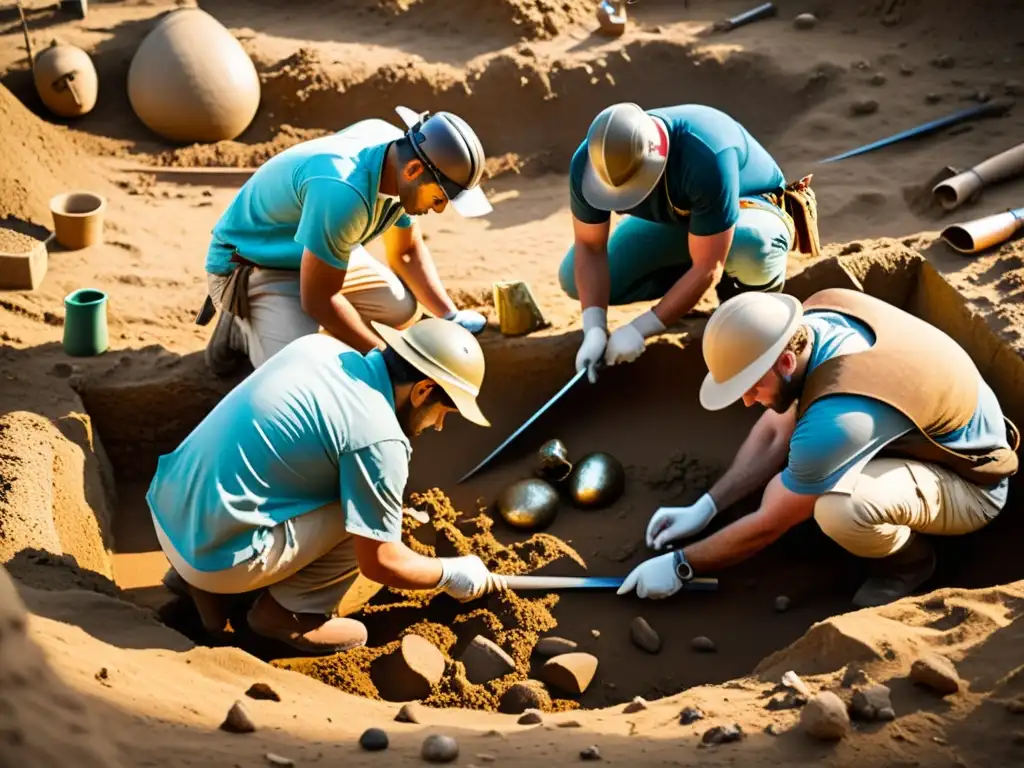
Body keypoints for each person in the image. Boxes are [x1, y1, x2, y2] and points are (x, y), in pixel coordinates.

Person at [617, 288, 1019, 608]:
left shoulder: (836, 422)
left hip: (973, 482)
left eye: (752, 386)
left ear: (787, 361)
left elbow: (769, 523)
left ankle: (911, 565)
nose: (746, 401)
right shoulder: (818, 317)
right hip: (932, 425)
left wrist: (681, 565)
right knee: (803, 433)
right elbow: (776, 432)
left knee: (839, 509)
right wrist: (705, 507)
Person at [150, 317, 508, 654]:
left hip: (170, 514)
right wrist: (451, 573)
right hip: (216, 559)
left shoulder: (319, 349)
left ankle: (202, 592)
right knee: (364, 517)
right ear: (423, 390)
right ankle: (283, 616)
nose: (439, 426)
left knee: (327, 484)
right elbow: (382, 562)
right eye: (444, 411)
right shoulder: (380, 438)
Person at [198, 105, 494, 376]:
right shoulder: (343, 192)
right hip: (255, 263)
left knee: (399, 308)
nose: (439, 209)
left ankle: (305, 327)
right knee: (296, 369)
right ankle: (240, 325)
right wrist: (386, 358)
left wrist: (450, 315)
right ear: (415, 170)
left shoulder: (398, 151)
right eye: (440, 198)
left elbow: (406, 253)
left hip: (314, 248)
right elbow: (319, 300)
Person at [560, 102, 820, 383]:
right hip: (680, 221)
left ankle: (747, 305)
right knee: (572, 277)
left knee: (749, 247)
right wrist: (594, 327)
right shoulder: (586, 164)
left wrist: (641, 328)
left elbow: (709, 264)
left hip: (749, 210)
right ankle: (683, 288)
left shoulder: (705, 154)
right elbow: (590, 247)